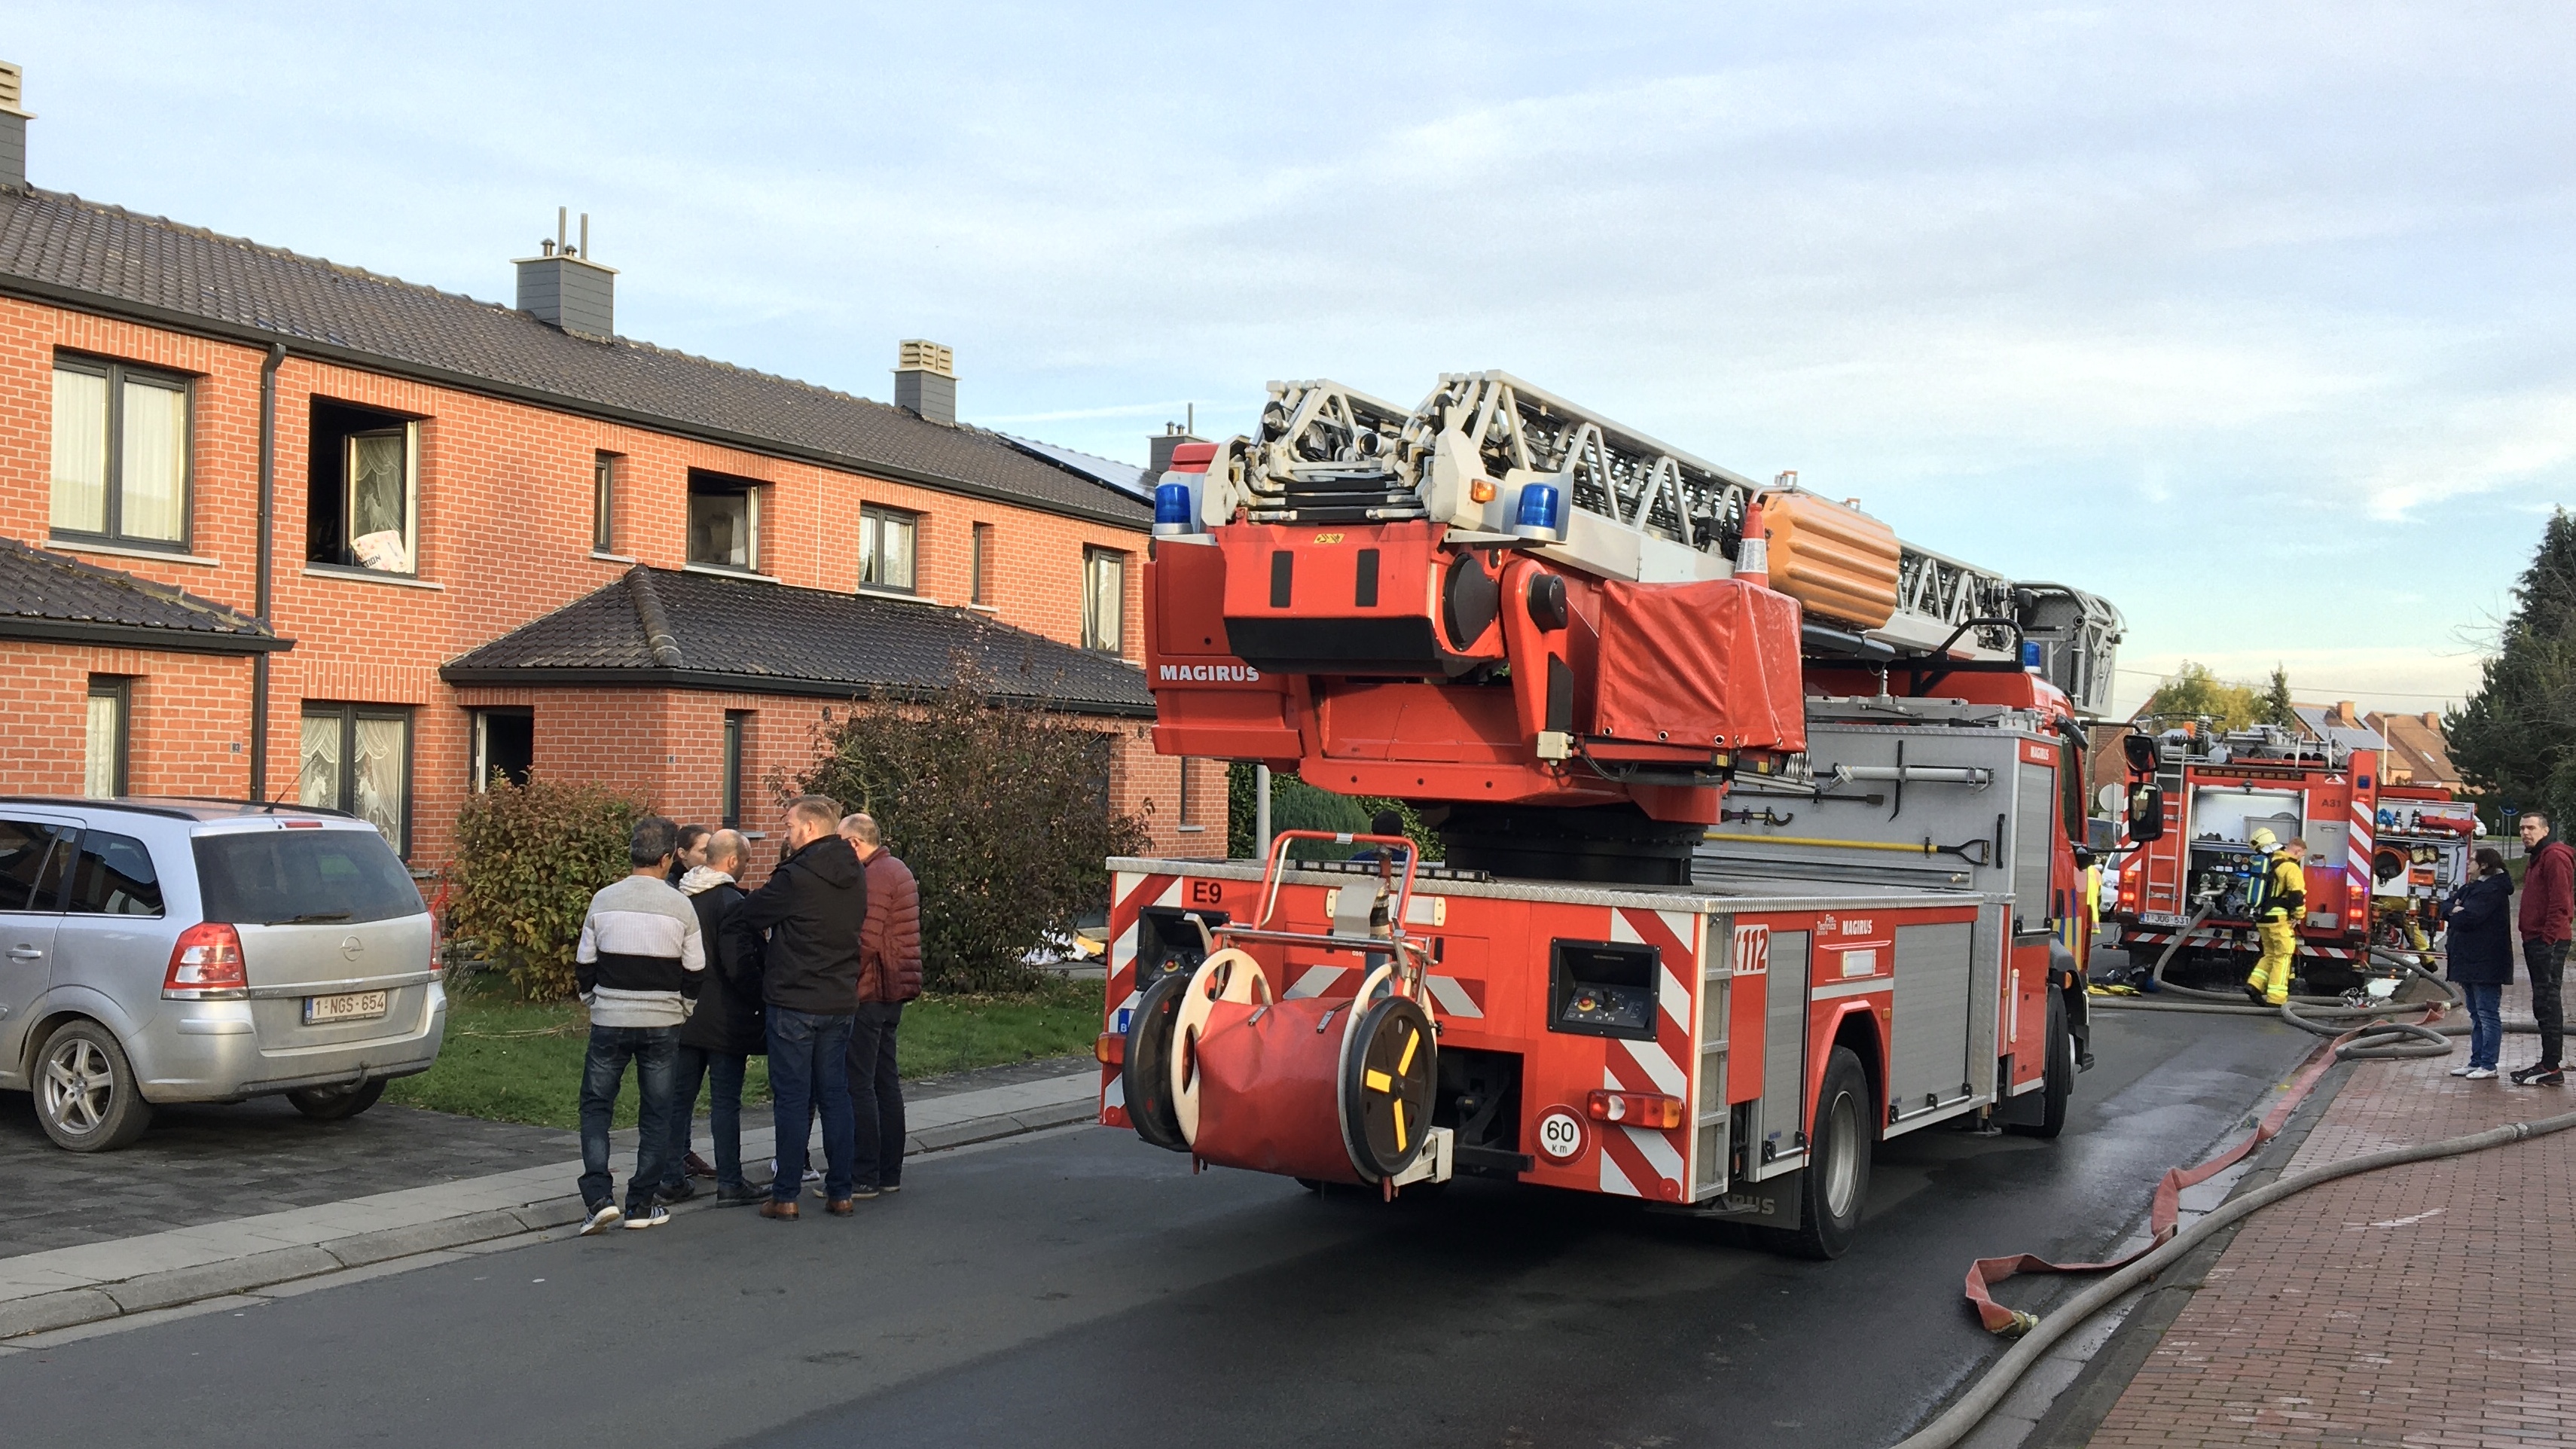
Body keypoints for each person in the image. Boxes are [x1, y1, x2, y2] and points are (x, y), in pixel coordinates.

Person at [731, 795, 867, 1219]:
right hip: (840, 998)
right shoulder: (855, 872)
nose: (785, 834)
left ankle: (785, 1193)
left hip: (793, 999)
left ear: (808, 828)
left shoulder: (796, 876)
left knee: (791, 1098)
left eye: (789, 826)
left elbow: (751, 913)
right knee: (835, 1095)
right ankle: (841, 1191)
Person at [572, 815, 705, 1235]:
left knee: (596, 1106)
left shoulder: (603, 899)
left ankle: (598, 1198)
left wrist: (594, 1001)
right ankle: (640, 1203)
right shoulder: (681, 905)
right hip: (662, 1023)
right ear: (668, 858)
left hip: (610, 1018)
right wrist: (682, 1008)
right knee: (657, 1111)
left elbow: (584, 965)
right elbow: (695, 971)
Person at [662, 828, 766, 1206]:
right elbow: (738, 964)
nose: (747, 869)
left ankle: (671, 1177)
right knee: (725, 1103)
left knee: (680, 1099)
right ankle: (731, 1181)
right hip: (725, 1019)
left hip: (685, 1014)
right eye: (747, 861)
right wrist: (760, 994)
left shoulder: (680, 896)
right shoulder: (731, 902)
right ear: (733, 861)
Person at [841, 812, 921, 1200]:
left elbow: (866, 940)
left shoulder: (874, 877)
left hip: (870, 991)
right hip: (894, 990)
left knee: (860, 1083)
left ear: (855, 843)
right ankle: (889, 1172)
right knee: (885, 1081)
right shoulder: (897, 869)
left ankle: (863, 1175)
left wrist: (839, 979)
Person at [2440, 848, 2515, 1080]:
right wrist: (2453, 908)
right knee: (2475, 1013)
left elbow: (2470, 918)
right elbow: (2445, 905)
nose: (2469, 863)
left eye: (2473, 860)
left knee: (2487, 1013)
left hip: (2487, 962)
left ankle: (2488, 1064)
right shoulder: (2472, 887)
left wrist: (2456, 911)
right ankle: (2476, 1061)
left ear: (2483, 865)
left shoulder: (2492, 890)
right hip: (2469, 960)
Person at [2510, 811, 2574, 1086]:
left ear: (2546, 831)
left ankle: (2551, 1067)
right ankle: (2548, 1063)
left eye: (2531, 828)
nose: (2526, 833)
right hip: (2536, 939)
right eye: (2523, 828)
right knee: (2543, 1002)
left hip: (2548, 942)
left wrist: (2547, 940)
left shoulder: (2554, 857)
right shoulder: (2538, 858)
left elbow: (2561, 903)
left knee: (2548, 1003)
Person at [2242, 826, 2306, 1007]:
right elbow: (2296, 895)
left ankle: (2254, 985)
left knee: (2270, 954)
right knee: (2283, 956)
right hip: (2279, 920)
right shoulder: (2289, 867)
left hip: (2263, 918)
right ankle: (2276, 1000)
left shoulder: (2266, 864)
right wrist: (2298, 915)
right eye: (2301, 854)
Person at [667, 824, 710, 889]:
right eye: (704, 851)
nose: (711, 856)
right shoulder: (671, 885)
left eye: (711, 850)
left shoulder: (715, 878)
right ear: (682, 854)